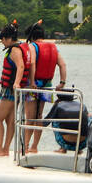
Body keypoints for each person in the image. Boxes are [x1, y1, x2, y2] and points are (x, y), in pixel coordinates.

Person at [25, 20, 67, 152]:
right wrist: (62, 82)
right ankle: (34, 146)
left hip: (34, 84)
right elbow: (63, 65)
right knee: (39, 116)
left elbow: (32, 63)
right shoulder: (54, 47)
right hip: (47, 85)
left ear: (32, 36)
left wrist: (31, 82)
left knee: (30, 117)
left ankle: (25, 146)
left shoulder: (33, 46)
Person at [0, 24, 25, 157]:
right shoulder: (17, 48)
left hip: (10, 90)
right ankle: (5, 150)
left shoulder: (15, 50)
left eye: (3, 39)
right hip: (12, 90)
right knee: (9, 120)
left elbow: (20, 66)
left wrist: (16, 83)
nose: (2, 42)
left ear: (9, 38)